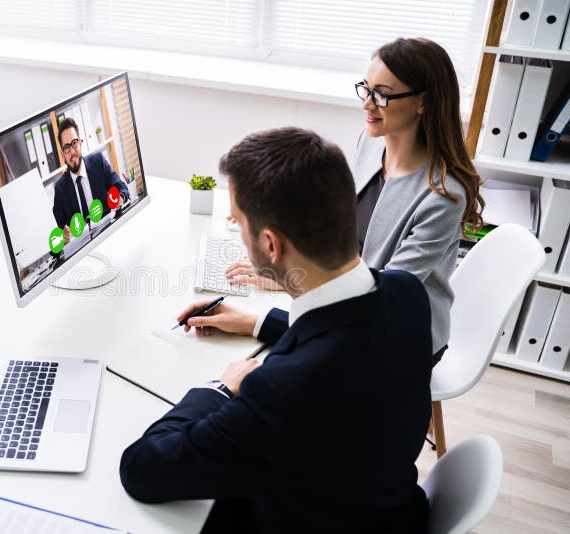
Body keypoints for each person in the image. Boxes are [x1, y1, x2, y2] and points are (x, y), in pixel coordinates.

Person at [120, 128, 433, 533]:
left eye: (238, 221)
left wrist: (221, 385)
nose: (234, 225)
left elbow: (144, 468)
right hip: (378, 505)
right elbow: (347, 331)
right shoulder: (406, 294)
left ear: (271, 245)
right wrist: (258, 321)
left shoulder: (284, 393)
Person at [226, 38, 484, 366]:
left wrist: (288, 284)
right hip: (352, 305)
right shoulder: (372, 143)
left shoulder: (443, 196)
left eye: (383, 94)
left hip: (401, 331)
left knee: (277, 375)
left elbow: (380, 299)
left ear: (423, 102)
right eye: (367, 88)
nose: (367, 104)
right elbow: (336, 224)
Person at [52, 117, 129, 243]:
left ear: (80, 142)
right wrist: (63, 237)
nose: (72, 151)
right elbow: (57, 236)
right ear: (62, 154)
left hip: (110, 237)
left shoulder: (99, 162)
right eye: (66, 147)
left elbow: (122, 188)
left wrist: (121, 197)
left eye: (74, 143)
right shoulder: (60, 189)